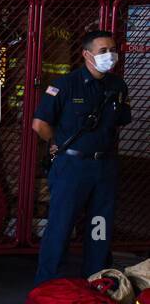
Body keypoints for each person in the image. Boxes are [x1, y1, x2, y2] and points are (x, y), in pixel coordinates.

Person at [31, 29, 132, 284]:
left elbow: (119, 121)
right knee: (61, 225)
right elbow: (39, 124)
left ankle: (96, 280)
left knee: (99, 226)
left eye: (112, 50)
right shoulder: (64, 85)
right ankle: (48, 285)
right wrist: (57, 143)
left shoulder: (118, 87)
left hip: (104, 167)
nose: (110, 55)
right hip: (72, 167)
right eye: (103, 51)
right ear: (87, 54)